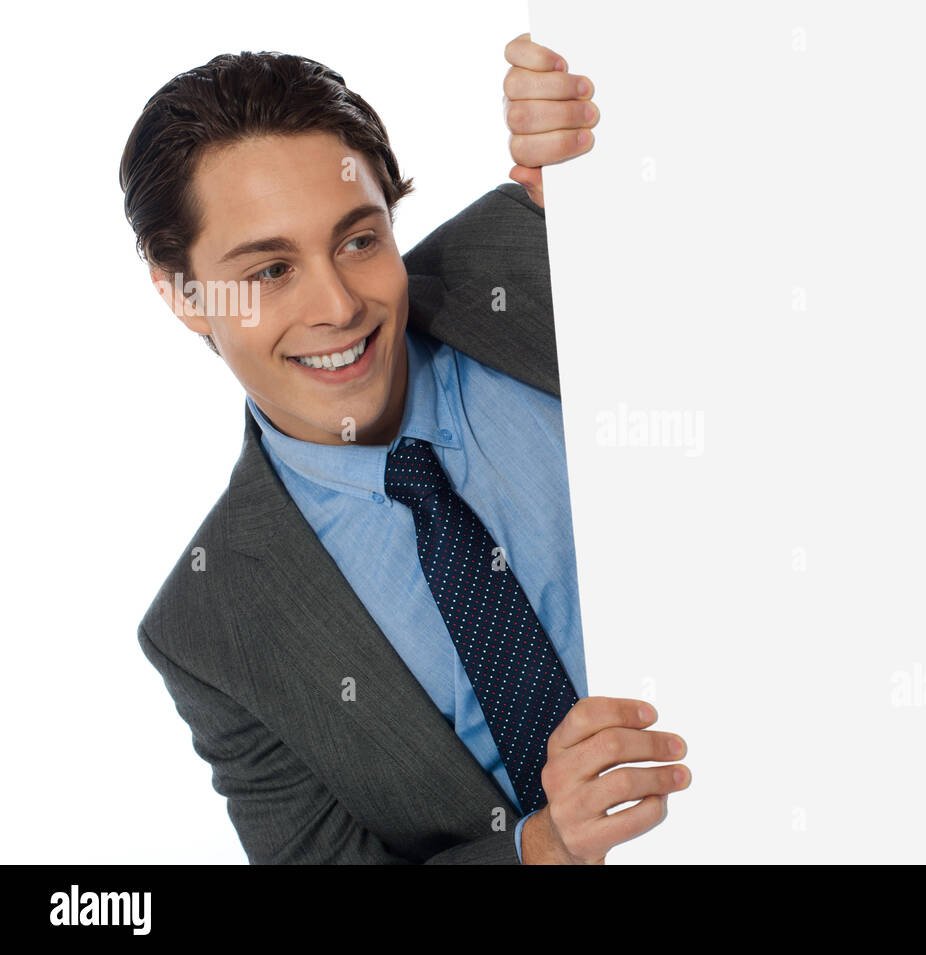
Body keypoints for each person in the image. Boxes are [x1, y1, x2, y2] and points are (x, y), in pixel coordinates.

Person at [121, 34, 690, 864]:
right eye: (271, 271)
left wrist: (612, 104)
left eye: (358, 240)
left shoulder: (536, 251)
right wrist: (546, 848)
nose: (338, 307)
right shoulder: (212, 629)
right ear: (181, 293)